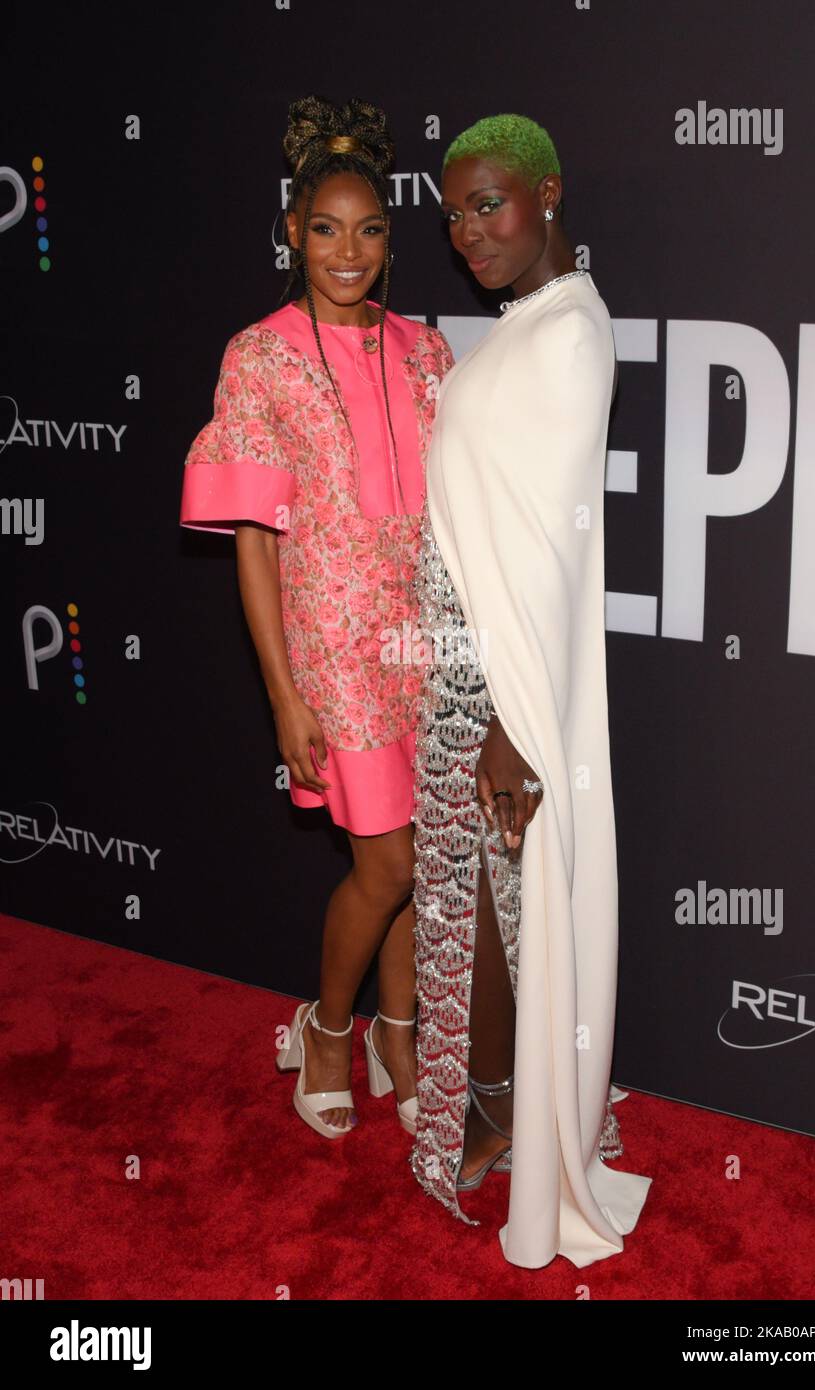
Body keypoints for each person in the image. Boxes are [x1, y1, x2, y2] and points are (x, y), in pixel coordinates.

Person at [179, 96, 453, 1141]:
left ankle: (399, 1030)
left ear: (392, 238)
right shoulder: (261, 355)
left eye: (371, 229)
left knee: (421, 859)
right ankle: (327, 1028)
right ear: (294, 231)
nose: (349, 251)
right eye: (326, 229)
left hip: (423, 635)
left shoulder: (427, 352)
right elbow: (253, 535)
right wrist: (284, 692)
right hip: (332, 642)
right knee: (383, 861)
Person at [409, 113, 653, 1270]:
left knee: (497, 908)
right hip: (460, 667)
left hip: (497, 686)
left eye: (490, 203)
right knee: (485, 907)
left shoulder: (567, 337)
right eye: (453, 212)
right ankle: (502, 1103)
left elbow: (554, 545)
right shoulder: (524, 326)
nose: (468, 231)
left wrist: (511, 722)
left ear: (548, 194)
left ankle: (505, 1109)